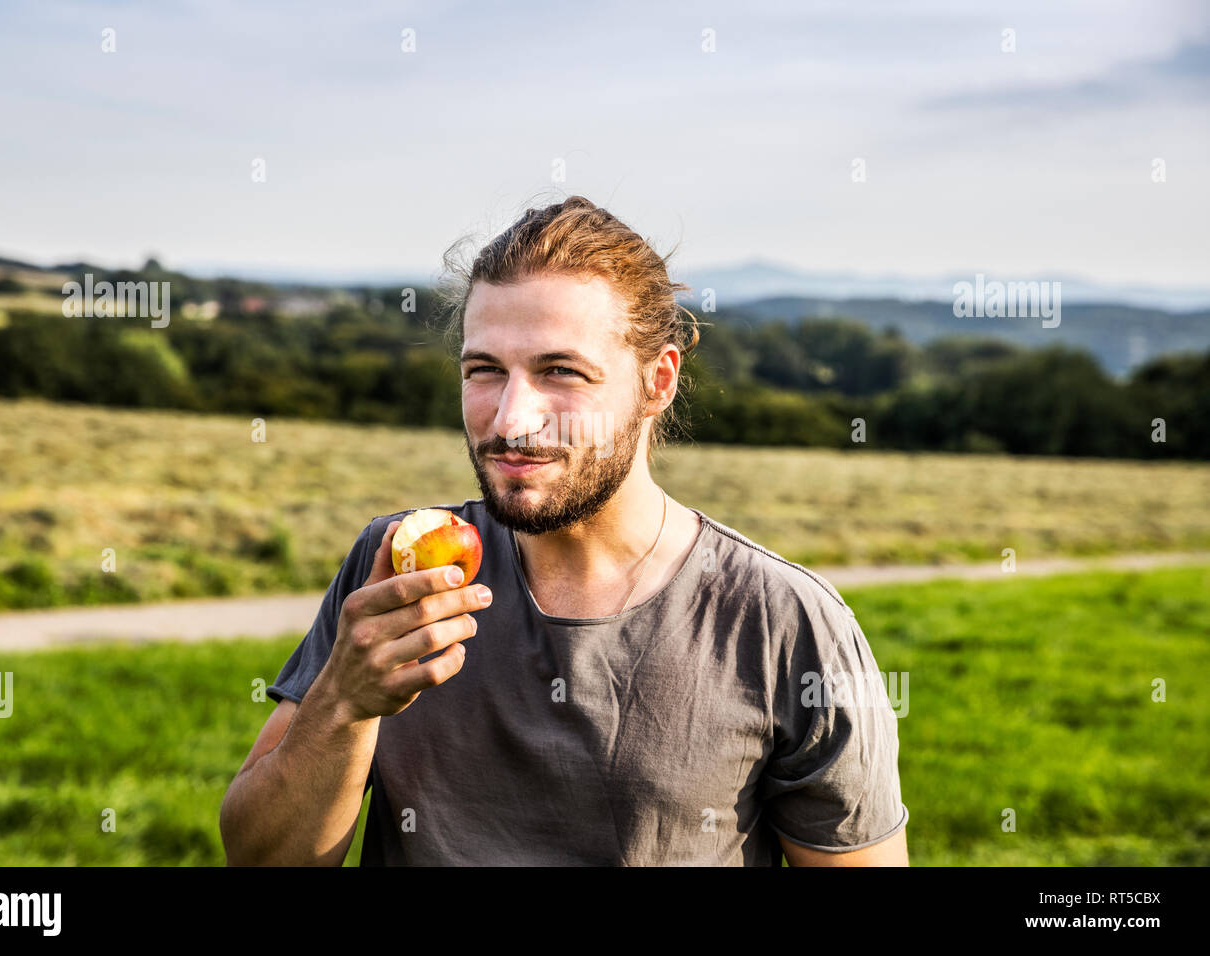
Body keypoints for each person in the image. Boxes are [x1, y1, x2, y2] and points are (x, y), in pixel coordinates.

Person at [219, 195, 909, 866]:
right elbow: (259, 857)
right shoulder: (395, 565)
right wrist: (343, 703)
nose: (511, 419)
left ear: (657, 382)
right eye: (485, 370)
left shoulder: (786, 622)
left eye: (561, 372)